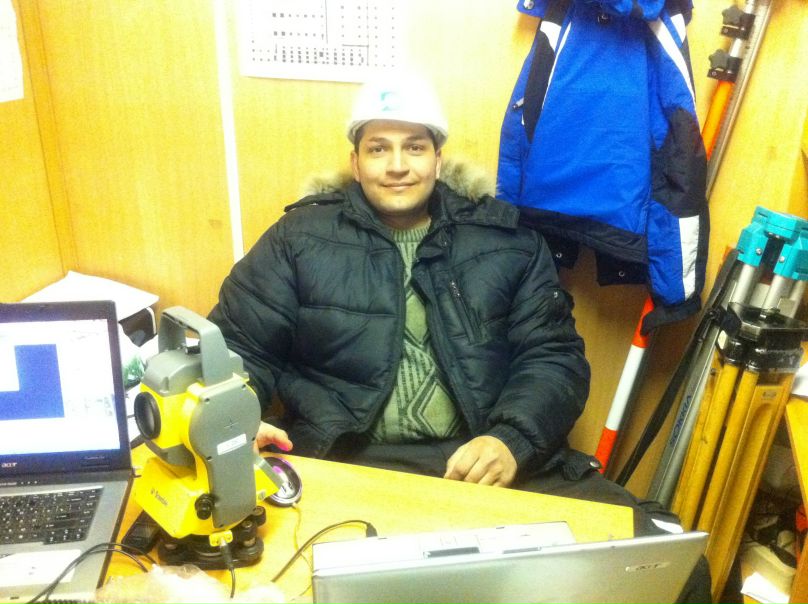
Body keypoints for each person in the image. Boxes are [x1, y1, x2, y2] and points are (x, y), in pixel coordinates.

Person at [208, 72, 709, 601]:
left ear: (437, 158)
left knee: (672, 566)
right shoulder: (297, 240)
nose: (397, 165)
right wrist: (239, 420)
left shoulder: (507, 239)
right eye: (378, 148)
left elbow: (553, 358)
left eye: (414, 147)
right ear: (355, 163)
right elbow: (237, 349)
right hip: (347, 460)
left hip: (486, 460)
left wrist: (512, 440)